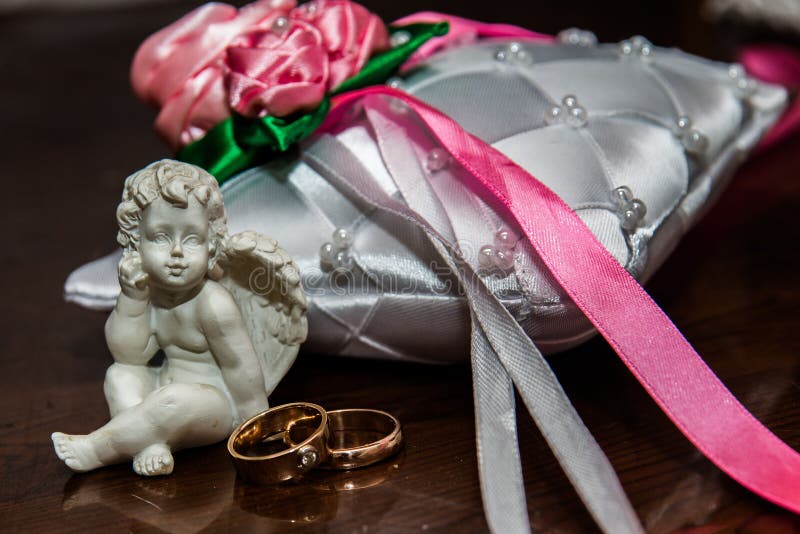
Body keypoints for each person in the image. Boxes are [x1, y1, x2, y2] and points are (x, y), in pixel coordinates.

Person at [52, 160, 271, 476]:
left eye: (192, 239)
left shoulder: (213, 303)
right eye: (160, 237)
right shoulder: (149, 293)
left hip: (213, 404)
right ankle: (151, 444)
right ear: (136, 242)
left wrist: (256, 424)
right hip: (164, 388)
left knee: (172, 400)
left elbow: (240, 367)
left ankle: (97, 448)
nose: (177, 252)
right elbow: (129, 355)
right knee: (119, 375)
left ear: (211, 245)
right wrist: (132, 300)